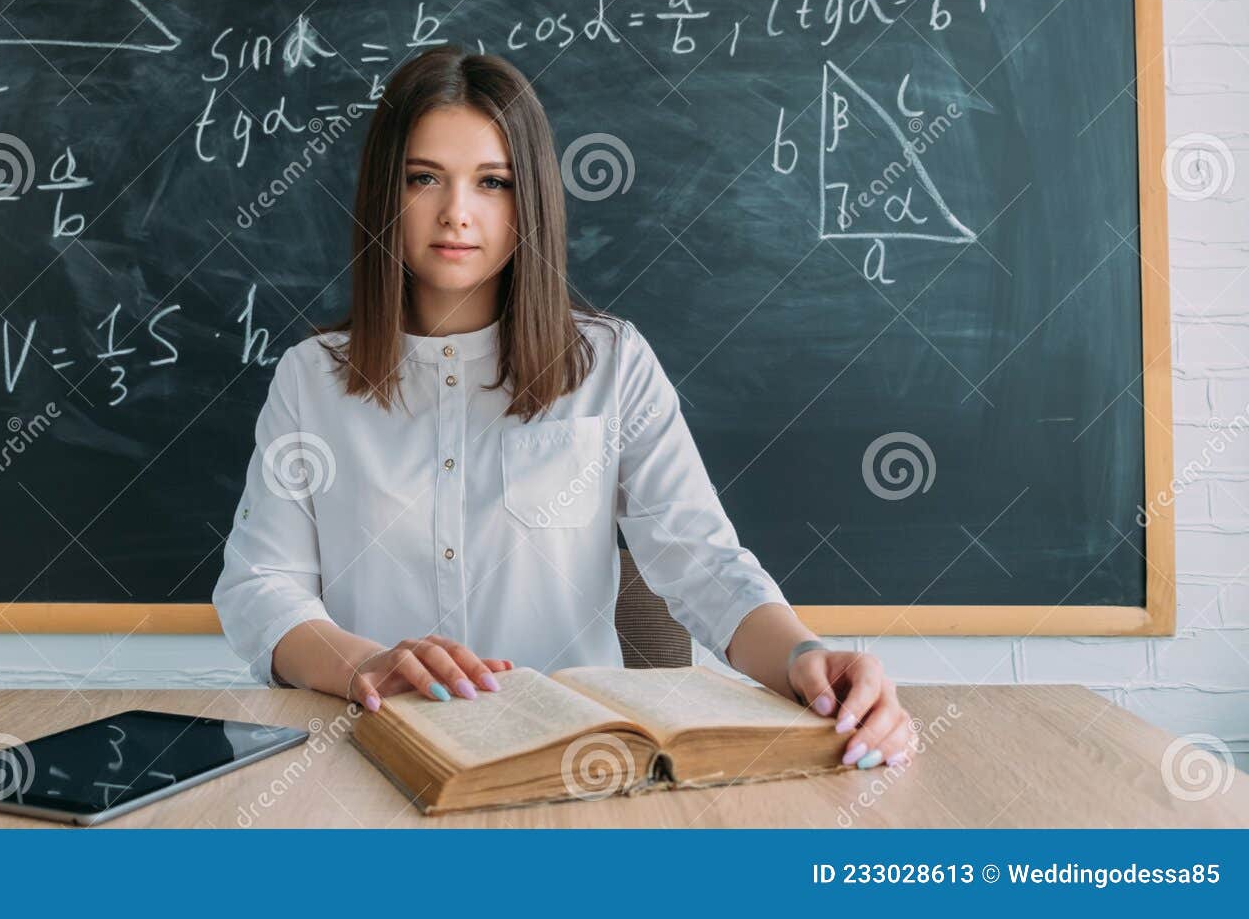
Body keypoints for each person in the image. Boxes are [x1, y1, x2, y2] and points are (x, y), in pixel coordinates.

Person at [213, 46, 913, 770]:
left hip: (570, 765)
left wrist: (806, 653)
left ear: (532, 202)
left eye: (493, 182)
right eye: (424, 178)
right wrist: (366, 662)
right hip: (367, 754)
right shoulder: (311, 378)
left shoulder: (612, 365)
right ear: (383, 193)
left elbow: (702, 559)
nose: (457, 212)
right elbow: (261, 585)